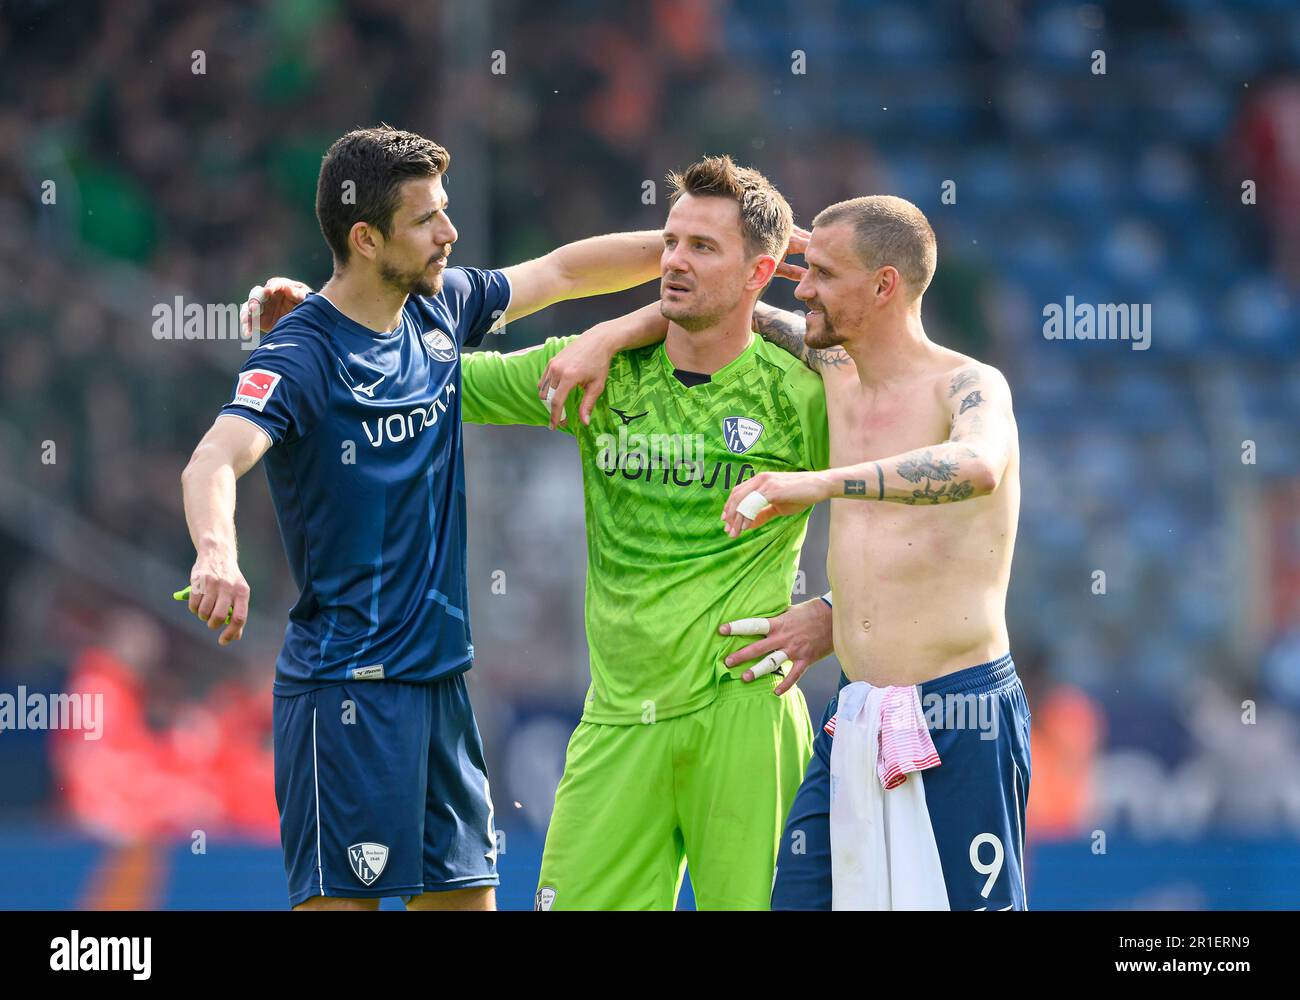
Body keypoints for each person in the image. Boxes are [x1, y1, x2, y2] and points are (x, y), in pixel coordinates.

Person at [250, 155, 838, 910]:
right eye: (671, 243)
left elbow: (909, 505)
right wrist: (328, 328)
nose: (675, 263)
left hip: (748, 714)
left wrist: (829, 612)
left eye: (703, 248)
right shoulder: (593, 372)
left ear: (760, 273)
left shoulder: (803, 394)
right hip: (618, 722)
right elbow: (419, 373)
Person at [181, 125, 664, 911]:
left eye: (445, 212)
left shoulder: (439, 314)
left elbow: (564, 270)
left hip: (441, 685)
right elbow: (213, 458)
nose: (451, 233)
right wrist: (215, 555)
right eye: (427, 220)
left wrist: (689, 247)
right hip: (344, 691)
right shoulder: (299, 355)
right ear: (366, 238)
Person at [719, 195, 1031, 910]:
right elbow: (709, 307)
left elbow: (977, 466)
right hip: (856, 716)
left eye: (824, 273)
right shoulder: (834, 368)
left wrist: (818, 484)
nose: (801, 289)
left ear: (885, 285)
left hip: (960, 717)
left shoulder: (970, 384)